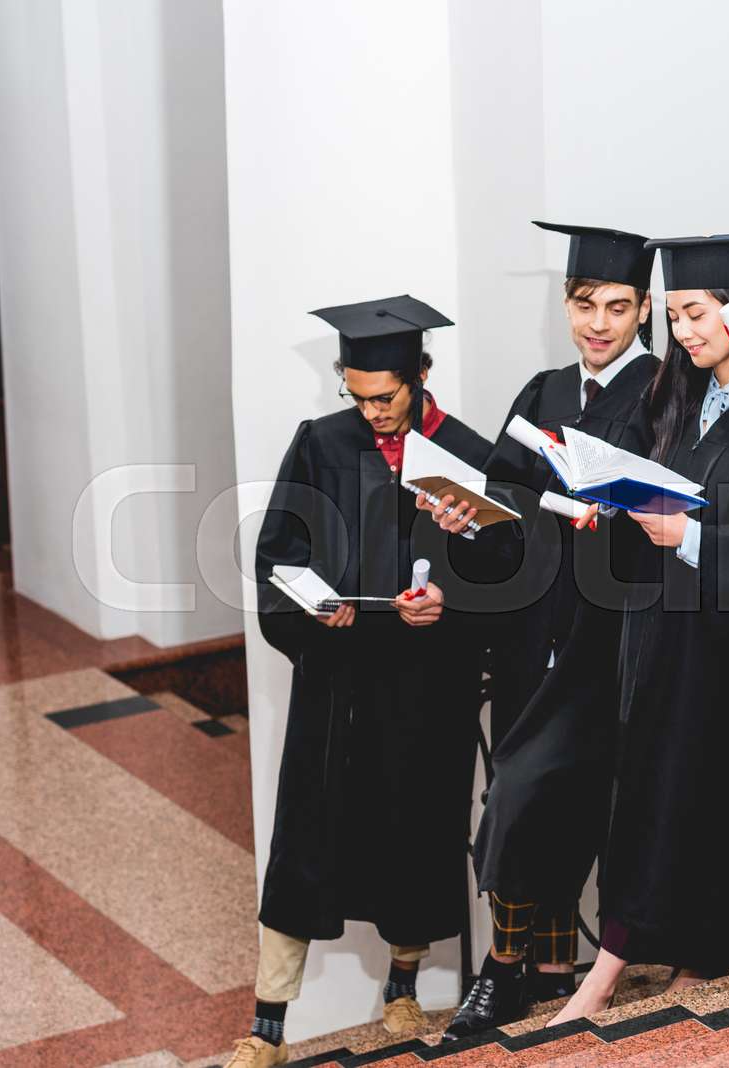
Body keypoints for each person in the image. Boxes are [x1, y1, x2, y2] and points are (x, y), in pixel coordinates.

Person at [232, 296, 490, 1067]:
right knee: (307, 839)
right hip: (339, 682)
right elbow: (278, 553)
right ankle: (267, 1024)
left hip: (424, 684)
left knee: (416, 832)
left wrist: (450, 602)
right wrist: (315, 609)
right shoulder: (319, 444)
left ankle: (402, 988)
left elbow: (505, 567)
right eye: (357, 395)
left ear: (420, 376)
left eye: (385, 396)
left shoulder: (466, 453)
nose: (371, 411)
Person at [548, 234, 729, 1023]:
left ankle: (652, 964)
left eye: (697, 314)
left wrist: (686, 537)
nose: (684, 333)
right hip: (663, 628)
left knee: (707, 795)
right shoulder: (676, 397)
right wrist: (609, 503)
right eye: (678, 317)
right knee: (653, 791)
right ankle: (636, 963)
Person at [431, 222, 662, 1038]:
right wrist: (466, 520)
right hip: (534, 633)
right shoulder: (543, 392)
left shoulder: (663, 394)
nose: (598, 323)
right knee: (521, 797)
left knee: (570, 803)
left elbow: (674, 514)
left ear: (643, 309)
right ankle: (525, 970)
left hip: (613, 637)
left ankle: (526, 972)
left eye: (616, 306)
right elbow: (503, 525)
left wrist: (618, 516)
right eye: (582, 304)